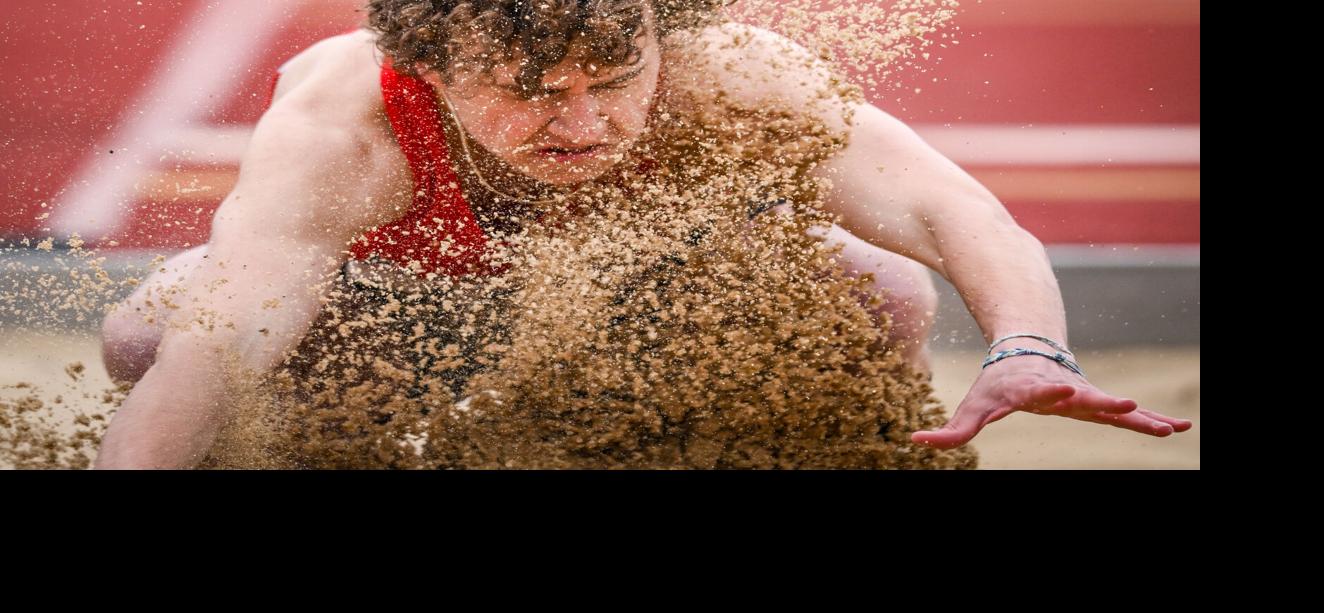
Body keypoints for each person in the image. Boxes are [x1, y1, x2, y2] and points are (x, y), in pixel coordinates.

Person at [94, 0, 1190, 469]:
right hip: (393, 325)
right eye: (526, 92)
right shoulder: (344, 126)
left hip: (653, 314)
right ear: (427, 69)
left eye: (612, 82)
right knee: (151, 331)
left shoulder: (734, 78)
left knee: (883, 291)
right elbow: (223, 341)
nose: (581, 125)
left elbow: (954, 213)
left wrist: (1028, 348)